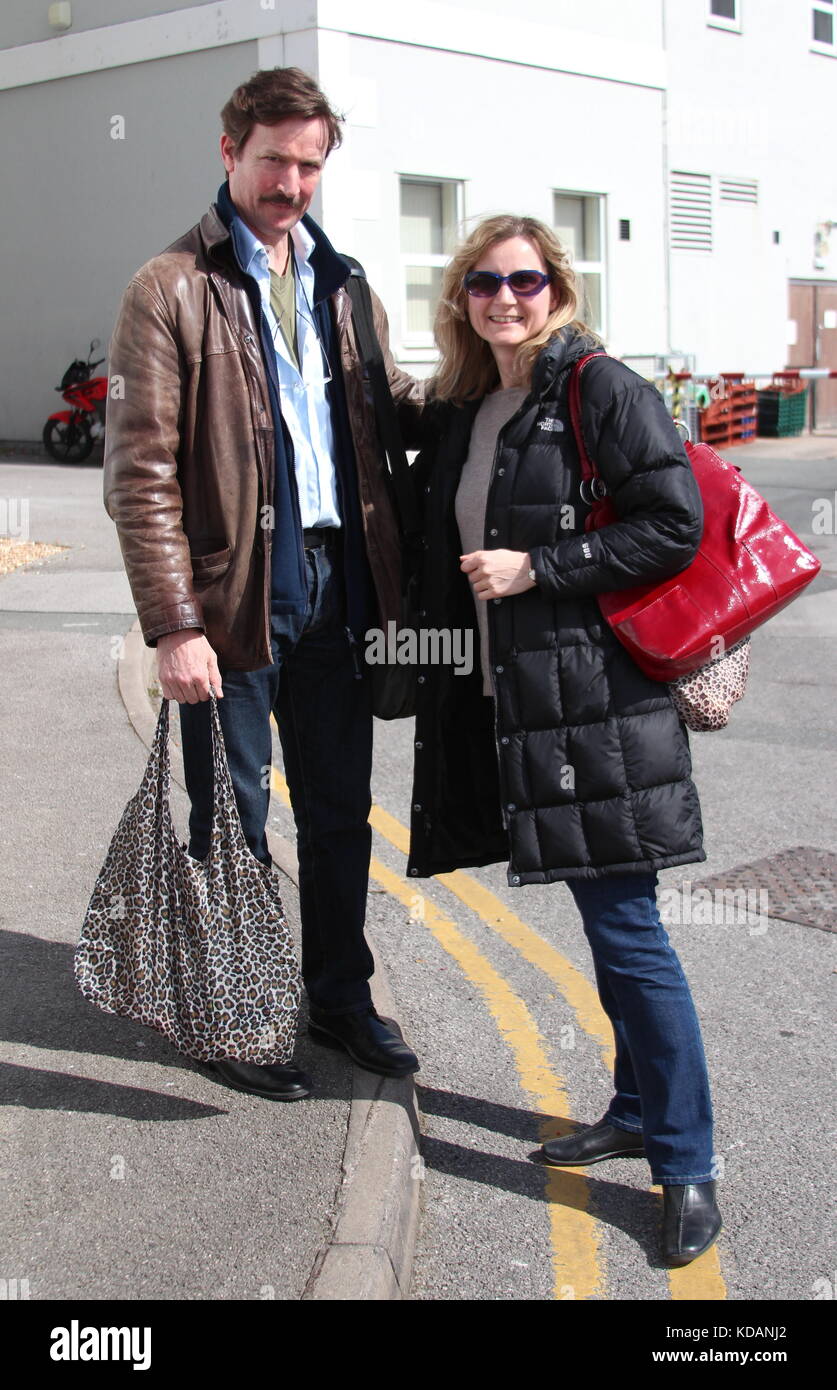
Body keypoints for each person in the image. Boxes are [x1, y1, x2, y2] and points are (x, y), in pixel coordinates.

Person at [406, 214, 722, 1266]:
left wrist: (539, 566)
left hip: (598, 707)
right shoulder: (473, 405)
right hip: (518, 700)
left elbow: (672, 521)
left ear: (559, 288)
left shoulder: (599, 388)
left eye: (527, 280)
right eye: (487, 281)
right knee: (603, 921)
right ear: (463, 297)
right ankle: (635, 1108)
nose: (507, 296)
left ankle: (687, 1166)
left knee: (631, 933)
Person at [104, 67, 423, 1101]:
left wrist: (520, 368)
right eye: (276, 158)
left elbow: (390, 406)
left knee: (339, 812)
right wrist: (173, 624)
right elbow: (141, 473)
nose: (293, 182)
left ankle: (337, 992)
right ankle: (232, 1012)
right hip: (233, 598)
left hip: (339, 587)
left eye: (311, 164)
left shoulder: (343, 281)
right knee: (228, 815)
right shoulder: (170, 287)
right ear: (230, 149)